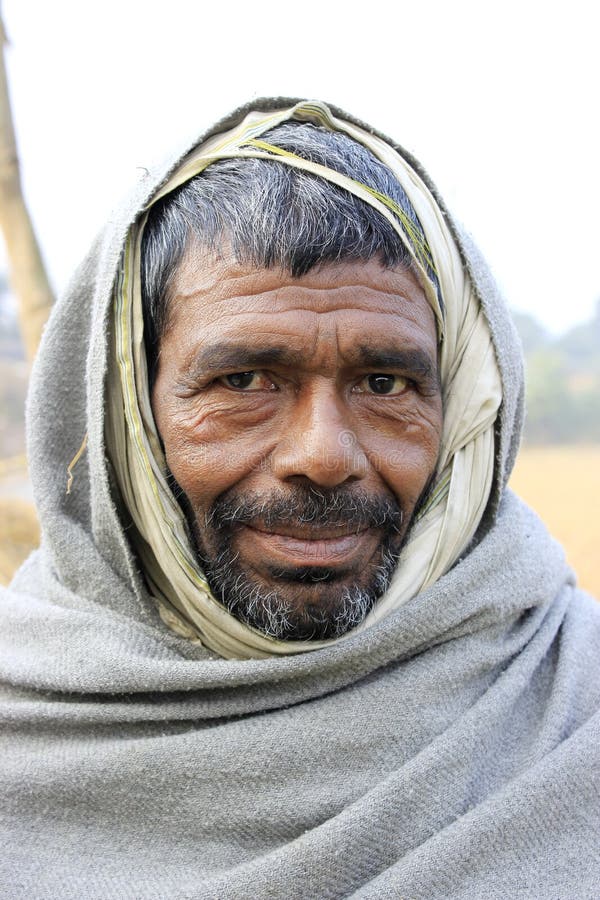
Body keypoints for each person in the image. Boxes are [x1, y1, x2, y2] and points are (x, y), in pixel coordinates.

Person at [1, 98, 598, 898]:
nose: (324, 456)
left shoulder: (571, 705)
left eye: (385, 382)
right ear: (126, 415)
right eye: (243, 380)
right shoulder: (23, 729)